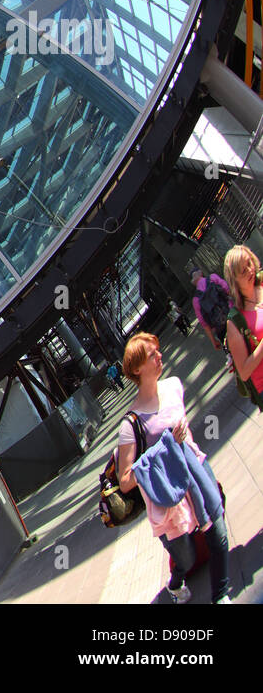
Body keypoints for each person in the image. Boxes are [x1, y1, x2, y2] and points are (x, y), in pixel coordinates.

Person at [116, 332, 230, 603]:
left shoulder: (174, 386)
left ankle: (221, 594)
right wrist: (167, 444)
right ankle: (176, 581)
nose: (160, 356)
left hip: (197, 470)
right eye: (152, 354)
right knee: (186, 557)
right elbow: (125, 480)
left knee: (219, 531)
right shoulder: (130, 425)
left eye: (158, 350)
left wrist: (180, 443)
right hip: (170, 495)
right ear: (136, 368)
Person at [223, 245, 263, 404]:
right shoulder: (235, 322)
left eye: (249, 263)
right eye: (243, 271)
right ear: (234, 281)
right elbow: (244, 371)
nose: (250, 270)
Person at [191, 268, 231, 350]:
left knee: (233, 354)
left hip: (220, 329)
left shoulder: (196, 300)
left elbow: (204, 323)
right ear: (201, 273)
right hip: (232, 315)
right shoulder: (213, 278)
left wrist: (214, 341)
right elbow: (228, 290)